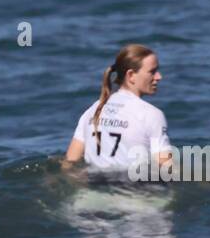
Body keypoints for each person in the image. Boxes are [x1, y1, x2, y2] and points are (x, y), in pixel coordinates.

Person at [64, 44, 173, 174]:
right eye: (152, 72)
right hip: (134, 191)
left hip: (90, 191)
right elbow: (168, 170)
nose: (158, 77)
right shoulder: (152, 115)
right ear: (131, 75)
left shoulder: (92, 110)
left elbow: (68, 164)